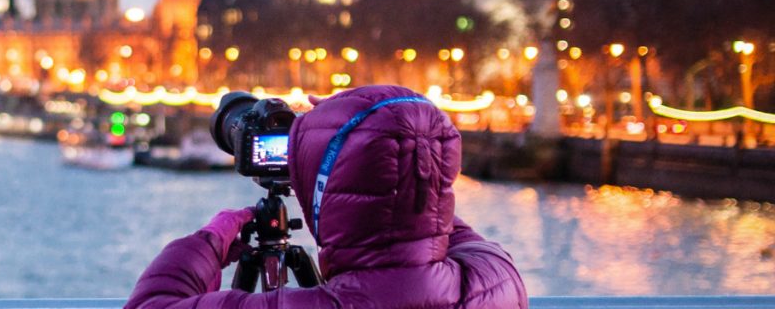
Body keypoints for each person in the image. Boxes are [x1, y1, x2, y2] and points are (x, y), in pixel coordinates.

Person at [126, 85, 528, 308]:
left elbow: (151, 306)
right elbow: (420, 206)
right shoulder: (497, 282)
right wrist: (376, 127)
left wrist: (210, 241)